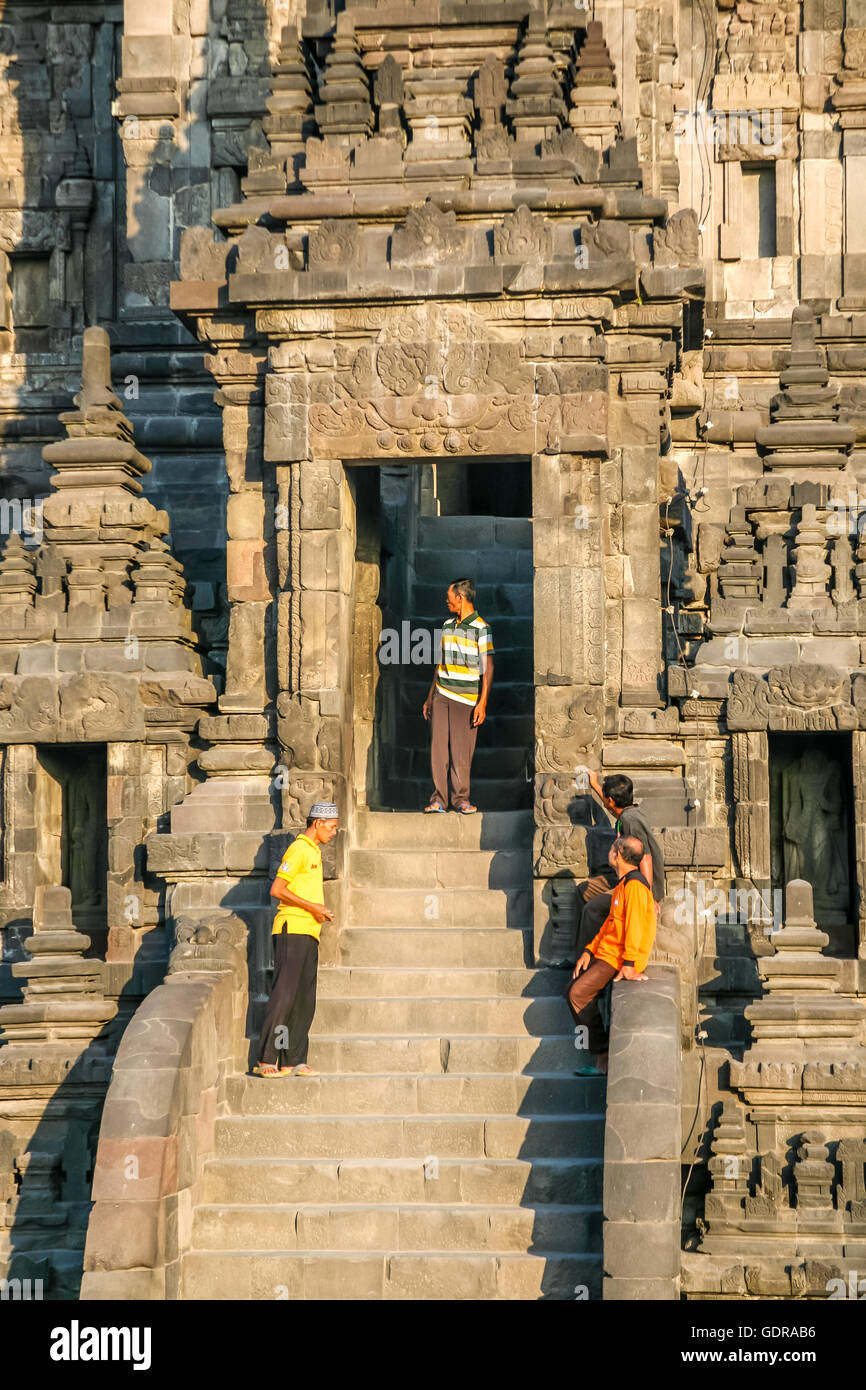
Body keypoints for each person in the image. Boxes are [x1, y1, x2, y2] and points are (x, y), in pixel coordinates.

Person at [252, 801, 338, 1078]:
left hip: (310, 932)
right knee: (284, 996)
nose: (334, 832)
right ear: (317, 823)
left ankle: (294, 1060)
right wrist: (313, 907)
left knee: (304, 1000)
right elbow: (278, 888)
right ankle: (266, 1059)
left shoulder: (314, 851)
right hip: (292, 929)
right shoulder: (299, 849)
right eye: (332, 827)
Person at [566, 835, 657, 1076]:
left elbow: (635, 927)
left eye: (612, 848)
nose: (610, 850)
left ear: (617, 854)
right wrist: (588, 950)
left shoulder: (635, 886)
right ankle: (599, 1052)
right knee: (572, 989)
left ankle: (603, 1055)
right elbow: (609, 924)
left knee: (577, 993)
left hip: (617, 957)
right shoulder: (622, 885)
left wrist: (629, 964)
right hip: (606, 951)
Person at [422, 578, 494, 814]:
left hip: (466, 699)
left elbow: (488, 667)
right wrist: (430, 695)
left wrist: (482, 703)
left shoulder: (481, 629)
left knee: (461, 753)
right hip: (442, 695)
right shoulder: (447, 625)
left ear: (460, 598)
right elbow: (439, 662)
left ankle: (461, 799)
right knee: (438, 750)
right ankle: (438, 800)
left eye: (449, 596)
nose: (447, 600)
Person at [574, 769, 665, 954]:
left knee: (591, 909)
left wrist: (647, 897)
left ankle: (587, 959)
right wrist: (596, 786)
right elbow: (615, 810)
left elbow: (645, 857)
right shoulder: (630, 813)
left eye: (607, 798)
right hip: (624, 878)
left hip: (637, 886)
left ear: (612, 800)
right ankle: (593, 945)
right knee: (582, 891)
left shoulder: (631, 821)